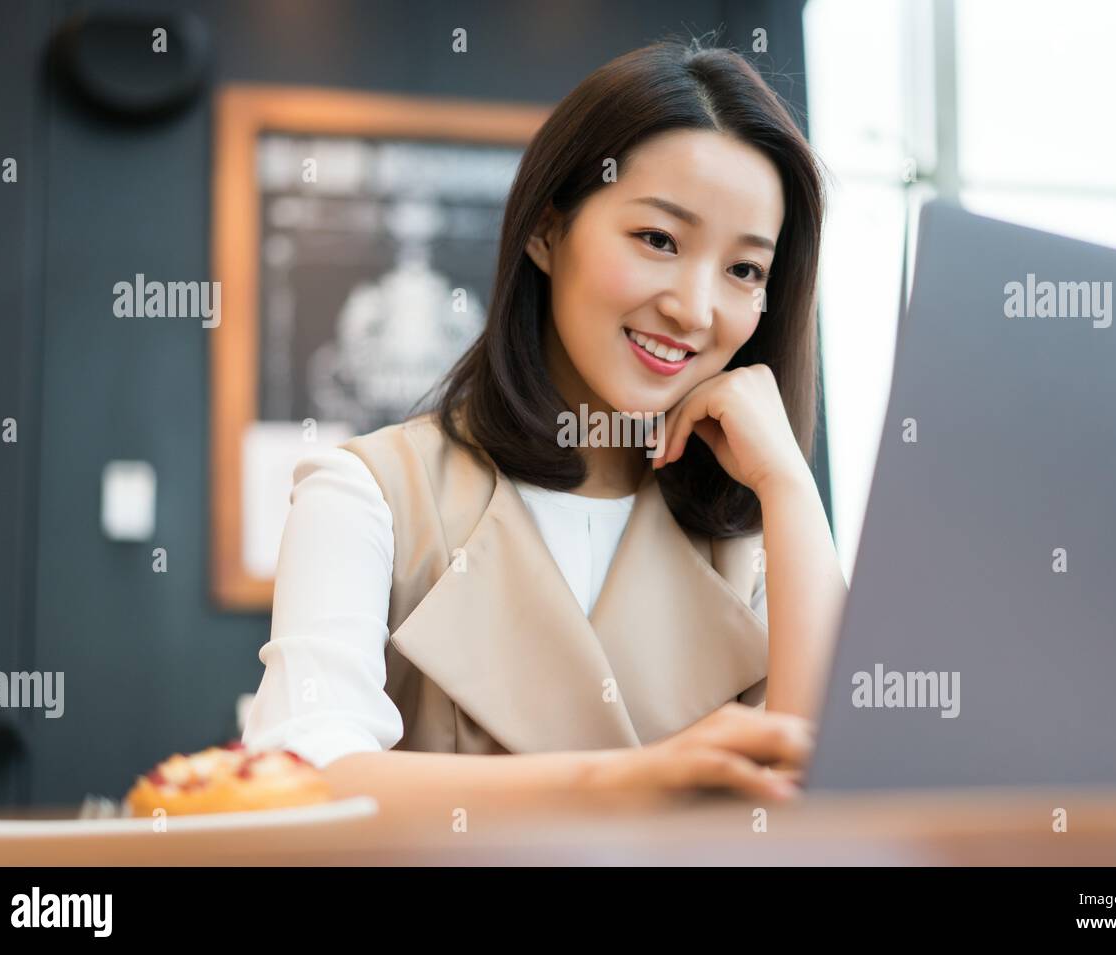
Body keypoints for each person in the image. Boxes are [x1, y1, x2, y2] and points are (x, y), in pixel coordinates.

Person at [243, 38, 847, 805]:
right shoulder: (367, 494)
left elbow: (832, 803)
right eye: (658, 239)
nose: (695, 309)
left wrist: (791, 484)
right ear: (546, 232)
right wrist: (630, 778)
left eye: (744, 269)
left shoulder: (760, 536)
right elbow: (296, 775)